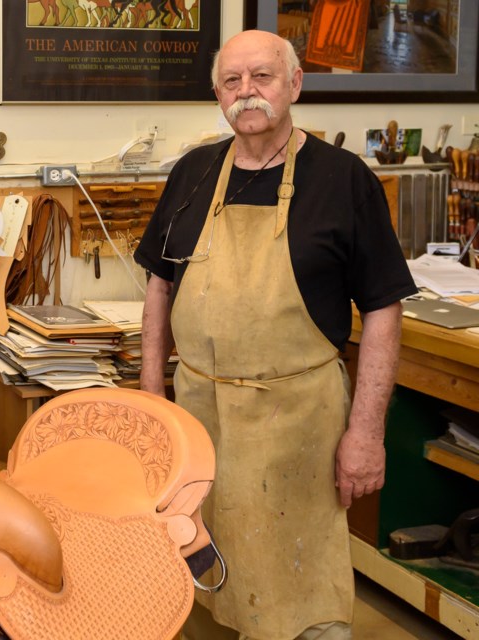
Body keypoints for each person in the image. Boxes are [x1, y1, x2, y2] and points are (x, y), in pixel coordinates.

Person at [133, 30, 417, 640]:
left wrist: (366, 433)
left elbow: (384, 308)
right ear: (217, 94)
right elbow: (159, 283)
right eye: (232, 82)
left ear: (294, 84)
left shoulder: (344, 181)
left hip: (297, 427)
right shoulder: (191, 173)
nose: (247, 93)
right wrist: (152, 396)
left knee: (299, 592)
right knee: (196, 577)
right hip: (200, 419)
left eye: (261, 76)